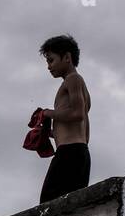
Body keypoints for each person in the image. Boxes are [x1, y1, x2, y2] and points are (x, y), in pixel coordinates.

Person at [37, 34, 92, 203]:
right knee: (67, 206)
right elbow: (77, 125)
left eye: (51, 60)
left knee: (47, 205)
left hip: (70, 153)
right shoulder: (74, 82)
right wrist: (49, 133)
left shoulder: (73, 79)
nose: (48, 66)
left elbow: (78, 114)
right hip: (77, 152)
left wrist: (48, 113)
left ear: (67, 57)